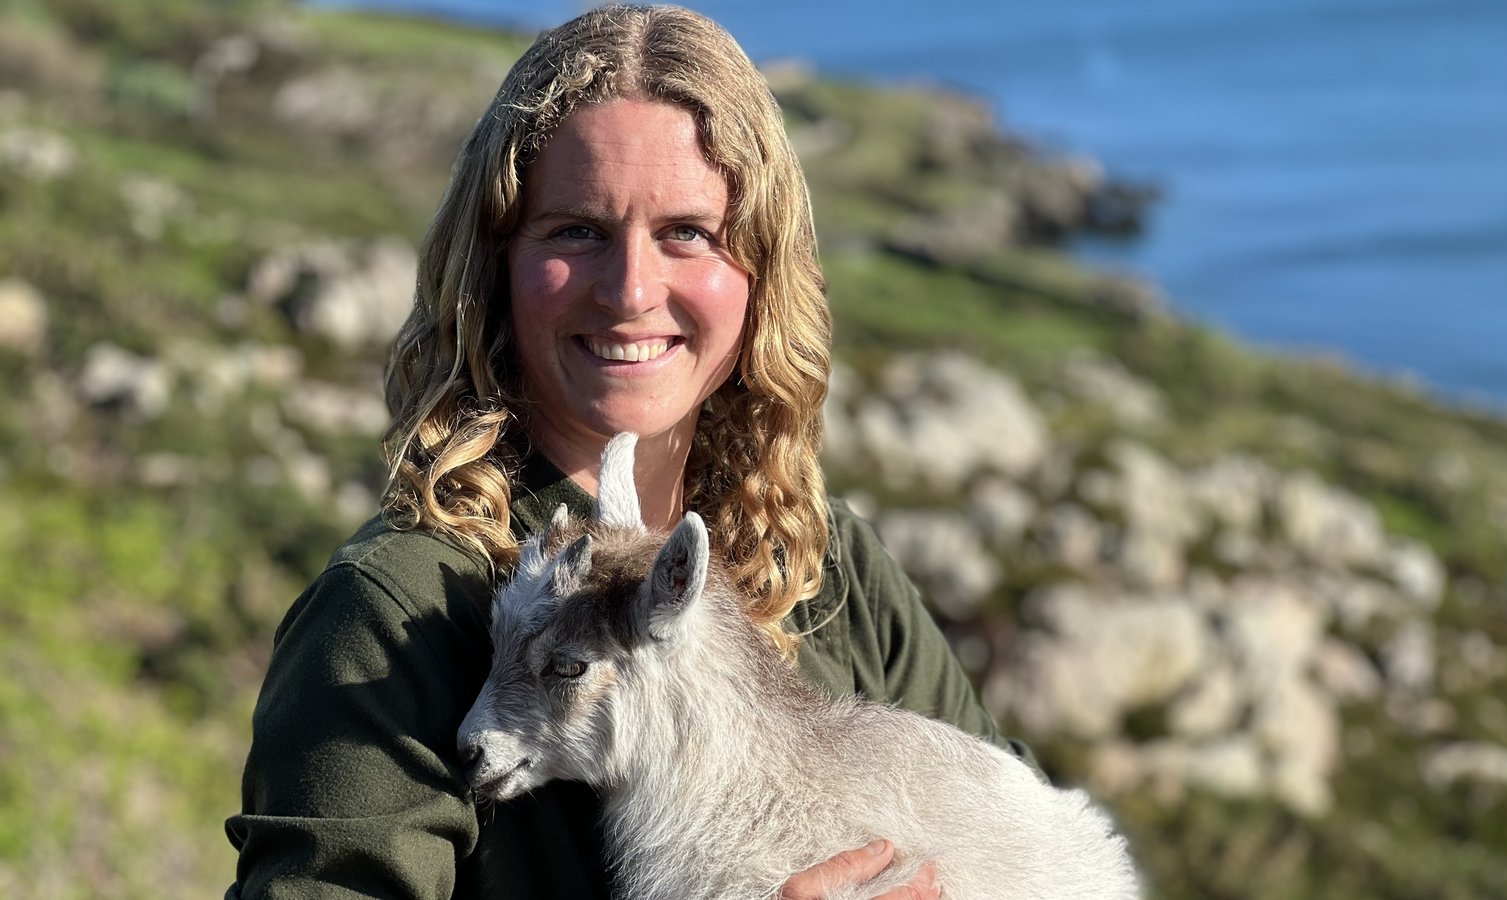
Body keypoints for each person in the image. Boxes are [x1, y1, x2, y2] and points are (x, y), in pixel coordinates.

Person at [226, 5, 1035, 898]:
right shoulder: (394, 617)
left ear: (760, 271)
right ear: (496, 262)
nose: (631, 291)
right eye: (577, 230)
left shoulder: (827, 572)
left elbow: (1034, 852)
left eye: (687, 232)